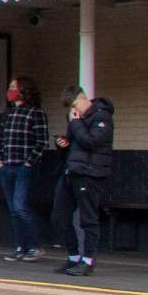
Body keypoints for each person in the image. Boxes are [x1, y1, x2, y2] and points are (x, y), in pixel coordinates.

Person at [52, 86, 114, 276]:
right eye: (70, 108)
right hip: (71, 171)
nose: (73, 110)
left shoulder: (102, 117)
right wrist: (62, 144)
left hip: (90, 173)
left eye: (74, 105)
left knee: (88, 218)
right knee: (59, 215)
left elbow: (91, 143)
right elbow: (74, 145)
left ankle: (87, 261)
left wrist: (75, 124)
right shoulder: (75, 119)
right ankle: (72, 257)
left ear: (83, 98)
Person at [0, 76, 48, 261]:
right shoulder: (8, 114)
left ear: (24, 90)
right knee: (13, 209)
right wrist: (0, 160)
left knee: (20, 206)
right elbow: (1, 139)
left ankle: (34, 246)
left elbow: (42, 141)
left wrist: (29, 162)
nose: (10, 90)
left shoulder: (35, 113)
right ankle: (21, 246)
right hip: (7, 165)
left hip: (23, 166)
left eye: (14, 87)